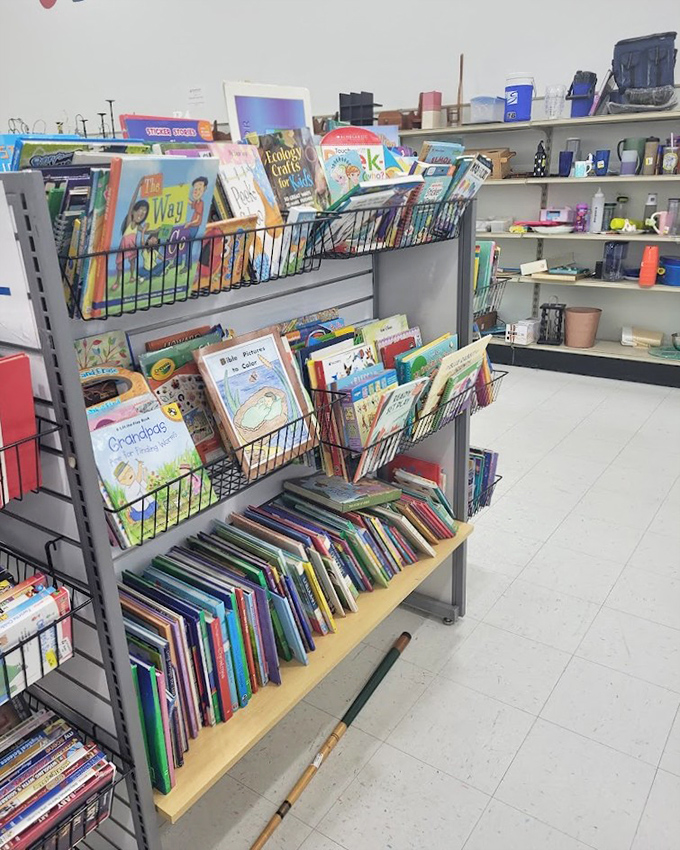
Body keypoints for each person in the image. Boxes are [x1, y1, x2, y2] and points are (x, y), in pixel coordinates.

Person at [113, 460, 156, 525]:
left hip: (149, 505)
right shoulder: (129, 489)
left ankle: (130, 518)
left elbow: (143, 483)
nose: (128, 475)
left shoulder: (135, 484)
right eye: (124, 477)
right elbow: (138, 480)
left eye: (129, 470)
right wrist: (140, 467)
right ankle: (130, 519)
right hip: (143, 510)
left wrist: (145, 473)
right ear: (121, 482)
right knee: (132, 513)